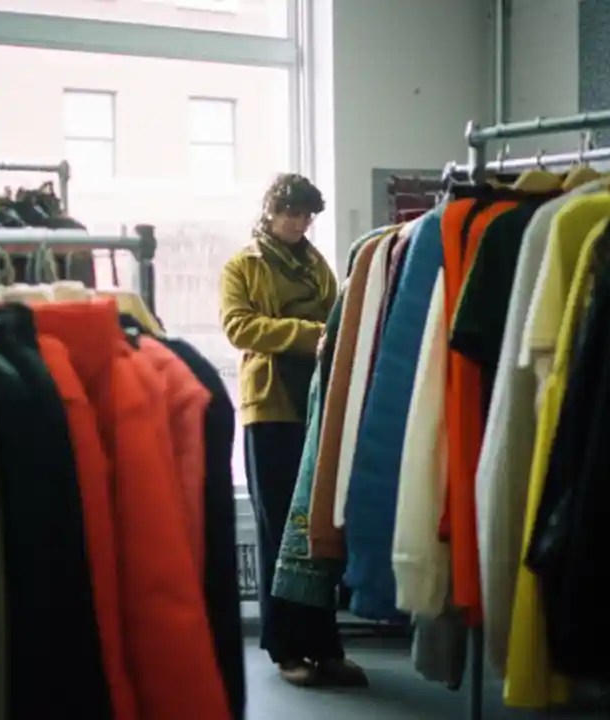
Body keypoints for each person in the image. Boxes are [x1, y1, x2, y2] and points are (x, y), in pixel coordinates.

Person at [219, 173, 367, 688]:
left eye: (307, 215)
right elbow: (238, 325)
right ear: (271, 211)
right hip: (271, 406)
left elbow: (339, 316)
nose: (301, 223)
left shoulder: (316, 263)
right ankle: (286, 650)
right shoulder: (244, 264)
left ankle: (325, 646)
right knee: (277, 526)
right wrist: (311, 335)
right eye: (293, 213)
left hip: (316, 402)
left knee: (316, 530)